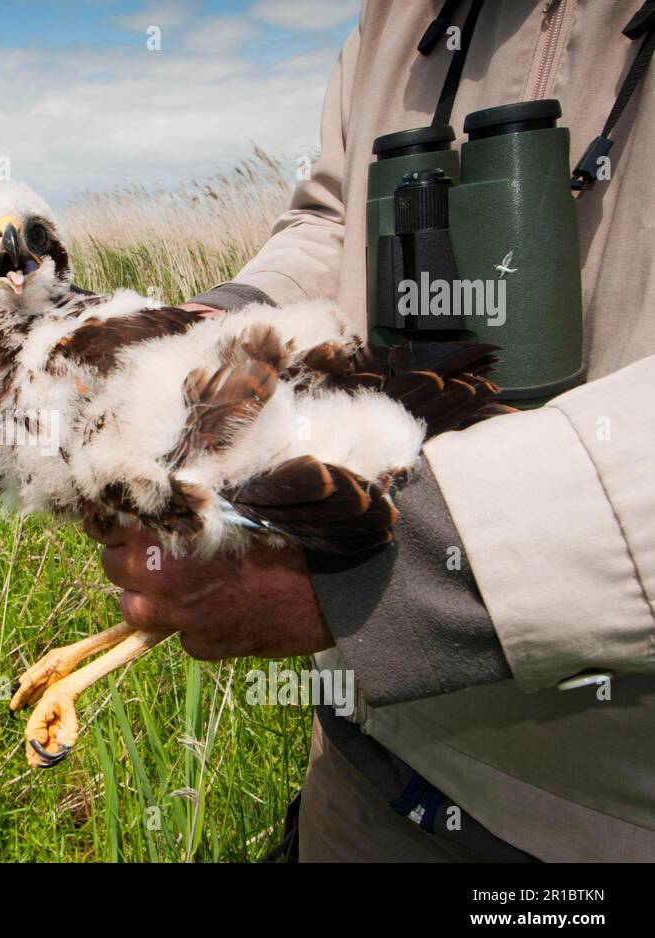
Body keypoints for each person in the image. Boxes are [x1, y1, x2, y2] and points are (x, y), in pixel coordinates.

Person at [85, 0, 655, 861]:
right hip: (363, 757)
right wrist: (205, 339)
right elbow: (332, 219)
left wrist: (375, 562)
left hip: (597, 824)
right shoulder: (398, 13)